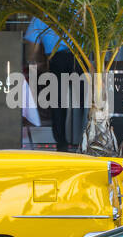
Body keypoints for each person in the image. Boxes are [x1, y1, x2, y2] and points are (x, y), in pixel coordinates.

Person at [24, 17, 81, 153]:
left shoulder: (42, 15)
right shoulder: (78, 9)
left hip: (57, 58)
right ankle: (82, 140)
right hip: (80, 58)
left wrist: (34, 62)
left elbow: (32, 44)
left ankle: (61, 143)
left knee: (58, 103)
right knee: (83, 102)